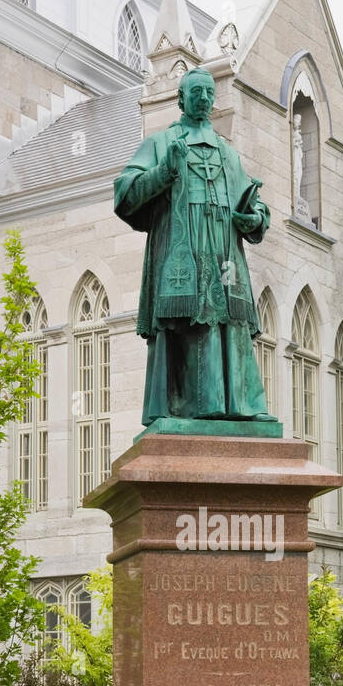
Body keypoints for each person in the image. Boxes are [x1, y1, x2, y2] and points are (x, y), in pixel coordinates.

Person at [115, 67, 276, 425]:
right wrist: (162, 173)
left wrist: (256, 219)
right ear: (181, 99)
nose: (203, 98)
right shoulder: (161, 143)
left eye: (208, 92)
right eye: (196, 92)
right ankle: (184, 407)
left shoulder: (227, 153)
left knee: (228, 321)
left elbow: (253, 202)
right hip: (180, 245)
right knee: (184, 323)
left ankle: (241, 404)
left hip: (223, 250)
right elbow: (124, 194)